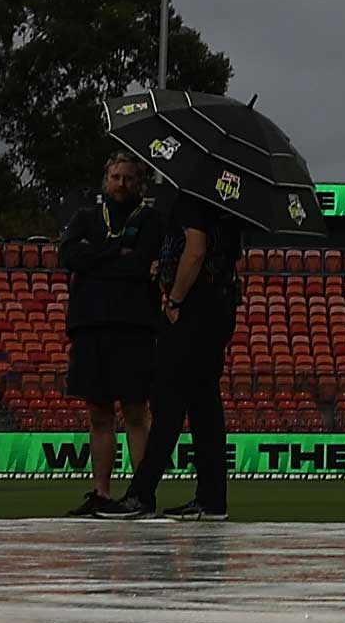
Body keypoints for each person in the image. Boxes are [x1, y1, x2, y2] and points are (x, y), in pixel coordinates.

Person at [129, 174, 246, 518]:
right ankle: (211, 499)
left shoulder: (193, 199)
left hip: (194, 310)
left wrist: (174, 300)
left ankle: (142, 494)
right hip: (219, 306)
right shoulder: (228, 204)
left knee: (169, 401)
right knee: (204, 406)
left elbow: (195, 250)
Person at [60, 153, 167, 516]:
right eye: (116, 177)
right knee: (98, 413)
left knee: (136, 411)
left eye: (129, 178)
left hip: (134, 326)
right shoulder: (86, 217)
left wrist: (96, 257)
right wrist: (115, 252)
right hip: (89, 325)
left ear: (140, 184)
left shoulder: (151, 220)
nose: (121, 183)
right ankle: (101, 492)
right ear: (105, 181)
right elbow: (69, 256)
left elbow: (140, 264)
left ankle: (141, 493)